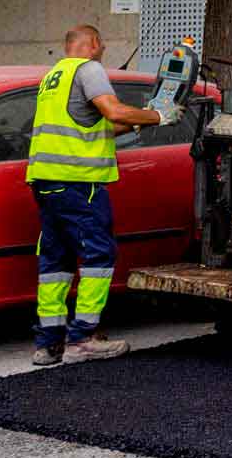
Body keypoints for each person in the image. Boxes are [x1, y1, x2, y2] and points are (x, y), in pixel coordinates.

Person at [26, 24, 180, 366]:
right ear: (94, 44)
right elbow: (113, 111)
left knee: (56, 260)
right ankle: (82, 338)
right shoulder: (89, 68)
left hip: (46, 181)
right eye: (103, 44)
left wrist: (145, 122)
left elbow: (100, 127)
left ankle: (48, 343)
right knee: (98, 255)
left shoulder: (54, 76)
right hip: (79, 182)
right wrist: (159, 113)